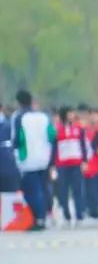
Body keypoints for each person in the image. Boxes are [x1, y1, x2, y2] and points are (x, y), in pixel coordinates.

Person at [13, 90, 55, 231]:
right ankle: (44, 216)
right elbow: (52, 136)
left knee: (31, 191)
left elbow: (17, 140)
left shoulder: (18, 117)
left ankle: (38, 219)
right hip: (44, 158)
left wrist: (17, 157)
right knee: (43, 189)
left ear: (18, 102)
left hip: (27, 161)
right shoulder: (44, 117)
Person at [53, 106, 88, 226]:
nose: (72, 115)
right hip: (62, 164)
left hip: (76, 163)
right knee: (63, 191)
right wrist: (52, 165)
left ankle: (79, 215)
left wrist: (84, 161)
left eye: (73, 113)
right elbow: (53, 148)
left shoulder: (79, 129)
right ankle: (66, 215)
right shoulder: (56, 130)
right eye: (69, 113)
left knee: (77, 190)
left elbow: (83, 146)